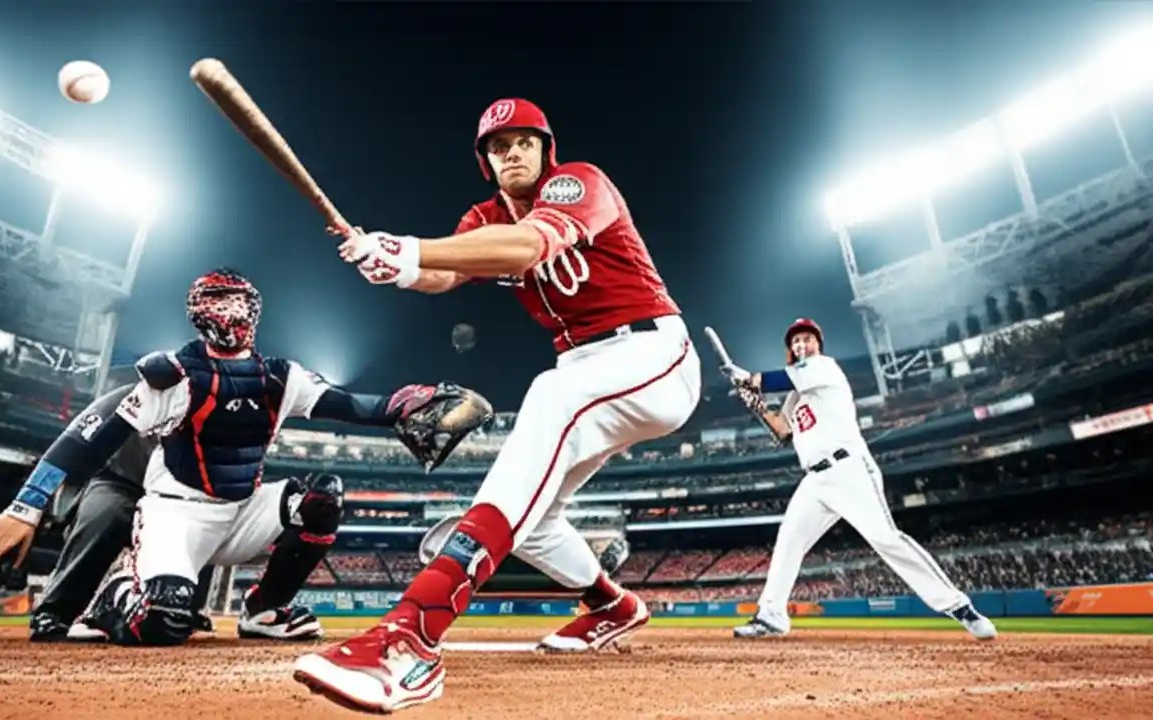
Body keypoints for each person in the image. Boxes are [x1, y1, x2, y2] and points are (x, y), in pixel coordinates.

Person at [293, 98, 701, 713]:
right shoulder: (482, 215)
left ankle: (412, 634)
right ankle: (612, 603)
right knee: (531, 519)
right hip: (584, 366)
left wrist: (409, 248)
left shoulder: (578, 182)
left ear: (545, 148)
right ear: (484, 160)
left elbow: (526, 248)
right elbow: (444, 274)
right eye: (496, 145)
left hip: (652, 352)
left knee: (548, 396)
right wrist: (391, 266)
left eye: (522, 141)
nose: (510, 151)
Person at [0, 267, 489, 647]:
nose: (230, 312)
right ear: (199, 312)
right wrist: (26, 507)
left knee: (321, 497)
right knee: (163, 624)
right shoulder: (169, 377)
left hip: (240, 510)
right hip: (175, 513)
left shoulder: (281, 377)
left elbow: (354, 406)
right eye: (219, 301)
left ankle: (265, 610)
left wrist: (407, 402)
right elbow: (87, 443)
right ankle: (114, 599)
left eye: (237, 300)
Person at [720, 318, 997, 641]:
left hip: (847, 469)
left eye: (807, 339)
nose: (801, 345)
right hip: (815, 479)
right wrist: (755, 403)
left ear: (818, 345)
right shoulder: (795, 395)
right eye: (796, 342)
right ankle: (771, 615)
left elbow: (774, 379)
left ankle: (959, 606)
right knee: (789, 538)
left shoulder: (824, 367)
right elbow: (781, 430)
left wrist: (748, 379)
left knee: (886, 538)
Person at [0, 382, 230, 642]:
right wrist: (26, 507)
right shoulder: (143, 392)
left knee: (206, 521)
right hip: (122, 482)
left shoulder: (237, 412)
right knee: (108, 513)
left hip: (180, 497)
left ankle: (183, 608)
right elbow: (73, 442)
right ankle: (56, 612)